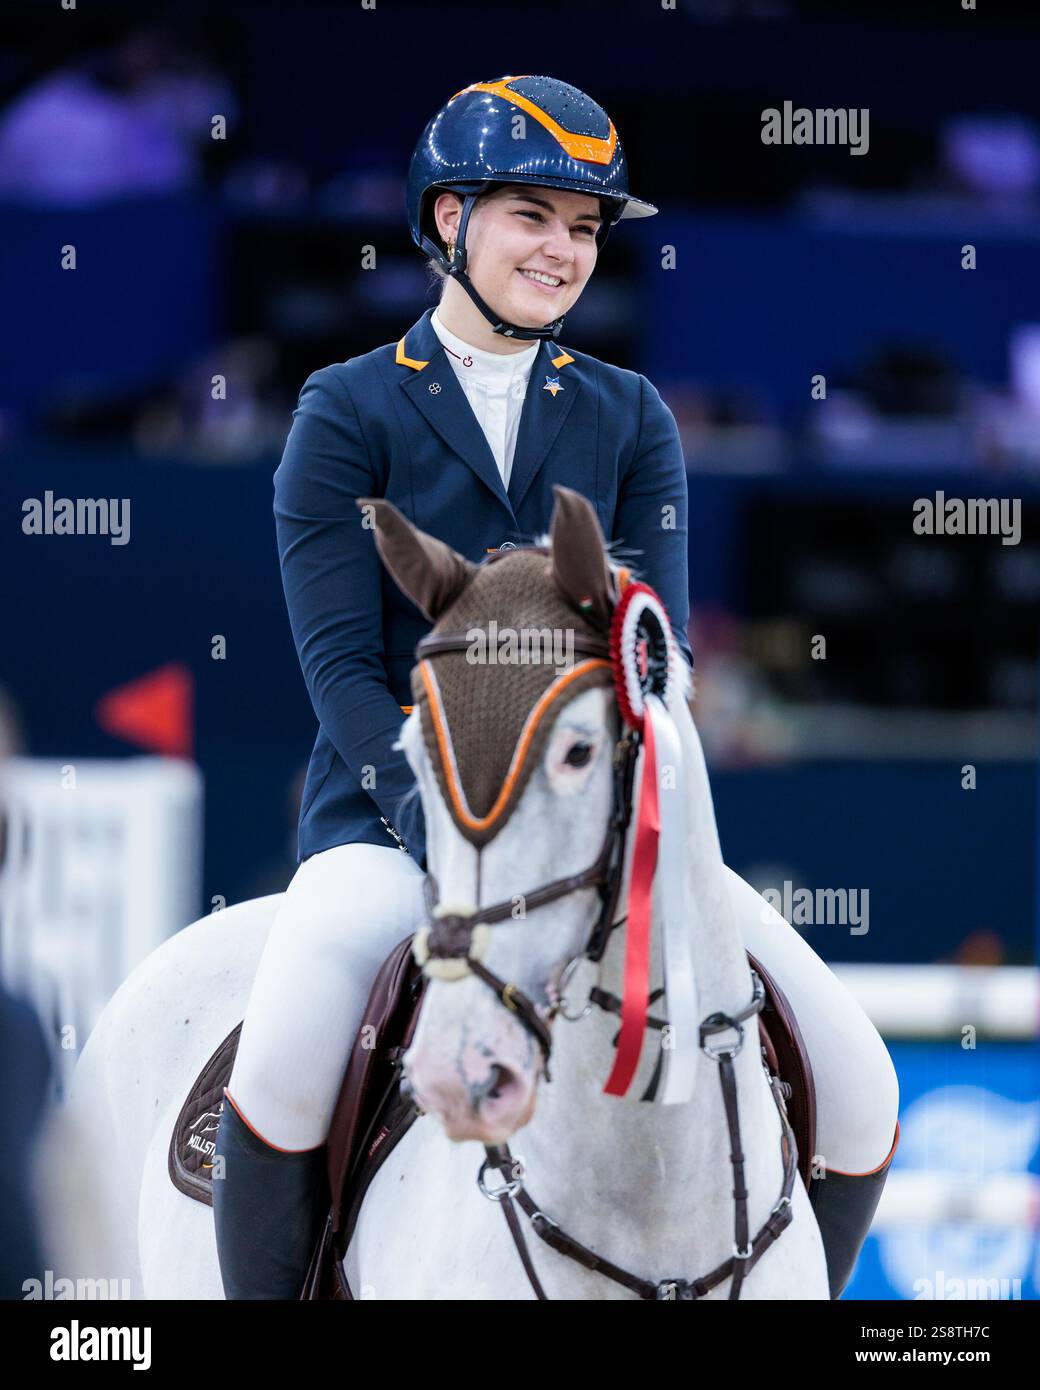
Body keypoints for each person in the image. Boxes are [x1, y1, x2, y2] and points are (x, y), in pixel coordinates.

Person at [212, 74, 898, 1300]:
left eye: (582, 227)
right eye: (531, 215)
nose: (563, 250)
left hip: (608, 841)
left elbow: (656, 669)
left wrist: (597, 833)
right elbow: (341, 672)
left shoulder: (629, 416)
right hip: (391, 828)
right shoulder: (346, 408)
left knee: (857, 1081)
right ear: (447, 221)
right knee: (283, 1059)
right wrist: (457, 835)